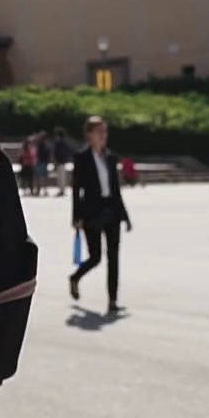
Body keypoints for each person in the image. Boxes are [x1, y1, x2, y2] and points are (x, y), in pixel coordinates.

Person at [69, 115, 133, 317]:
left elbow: (116, 189)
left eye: (105, 131)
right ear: (89, 135)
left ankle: (113, 301)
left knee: (114, 257)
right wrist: (76, 217)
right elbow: (76, 189)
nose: (104, 135)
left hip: (111, 210)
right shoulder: (82, 159)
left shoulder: (110, 157)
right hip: (91, 212)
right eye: (99, 131)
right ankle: (75, 277)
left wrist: (125, 215)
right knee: (95, 257)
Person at [51, 126, 75, 197]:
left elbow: (56, 152)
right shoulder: (64, 142)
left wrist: (55, 160)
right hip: (63, 161)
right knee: (63, 176)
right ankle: (62, 189)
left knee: (61, 176)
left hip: (60, 161)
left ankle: (62, 190)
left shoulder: (59, 143)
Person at [19, 133, 40, 197]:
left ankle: (30, 190)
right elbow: (22, 157)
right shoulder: (27, 149)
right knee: (26, 178)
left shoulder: (32, 149)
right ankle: (27, 190)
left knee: (30, 179)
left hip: (29, 165)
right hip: (27, 165)